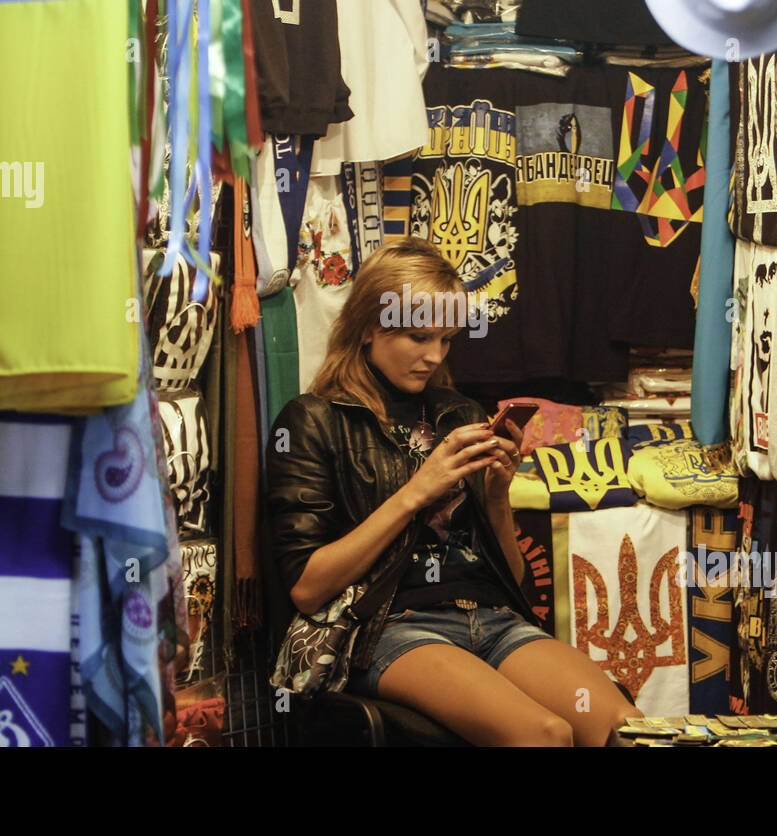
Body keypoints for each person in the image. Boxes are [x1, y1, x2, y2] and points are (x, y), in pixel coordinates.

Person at [265, 237, 643, 746]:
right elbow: (308, 588)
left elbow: (512, 583)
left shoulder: (457, 412)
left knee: (629, 732)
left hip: (490, 617)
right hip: (389, 625)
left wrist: (495, 496)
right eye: (419, 337)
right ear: (369, 327)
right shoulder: (313, 420)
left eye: (445, 340)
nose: (433, 356)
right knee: (546, 734)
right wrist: (416, 491)